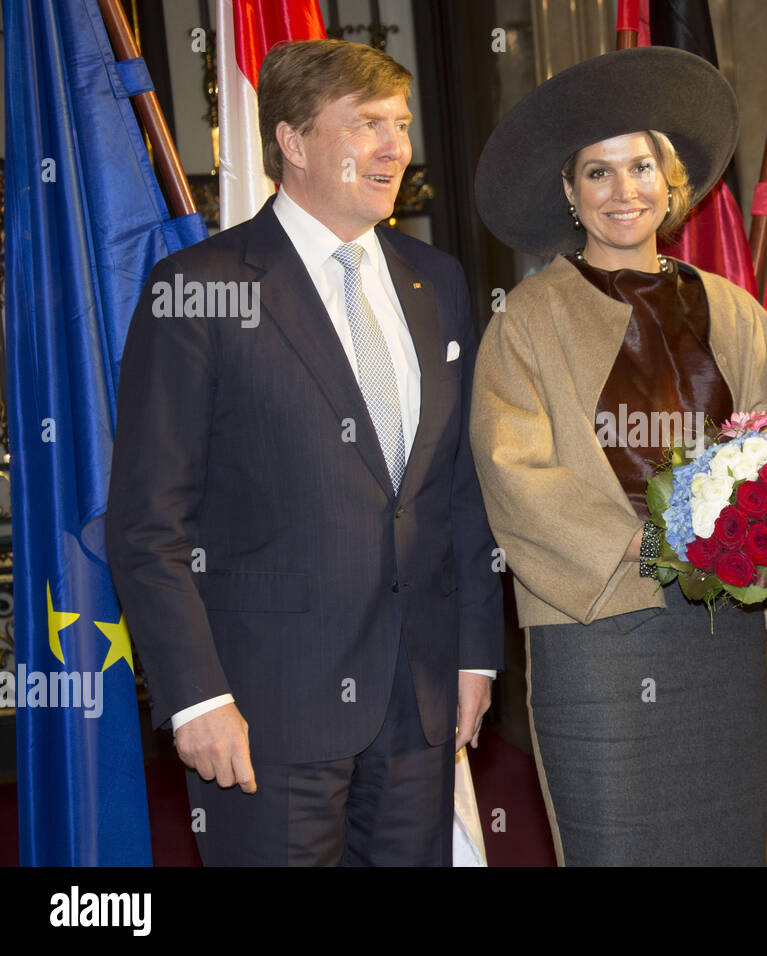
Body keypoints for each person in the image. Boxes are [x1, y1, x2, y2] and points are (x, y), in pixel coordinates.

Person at [106, 39, 503, 866]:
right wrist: (196, 698)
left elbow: (458, 493)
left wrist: (476, 657)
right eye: (366, 124)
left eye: (400, 123)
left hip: (421, 700)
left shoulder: (439, 282)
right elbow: (149, 525)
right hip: (263, 711)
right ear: (290, 141)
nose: (395, 146)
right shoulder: (199, 289)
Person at [470, 47, 767, 866]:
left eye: (640, 167)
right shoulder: (527, 318)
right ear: (568, 193)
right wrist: (653, 544)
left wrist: (750, 532)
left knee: (727, 841)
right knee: (618, 845)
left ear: (671, 181)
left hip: (721, 625)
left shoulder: (731, 307)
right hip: (597, 631)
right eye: (597, 173)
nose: (623, 191)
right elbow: (512, 470)